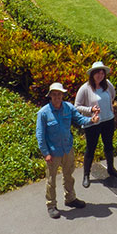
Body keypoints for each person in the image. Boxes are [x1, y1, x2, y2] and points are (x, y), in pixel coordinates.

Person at [36, 82, 97, 218]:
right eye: (54, 94)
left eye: (59, 94)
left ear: (62, 95)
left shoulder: (68, 108)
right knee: (51, 179)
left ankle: (70, 198)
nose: (57, 97)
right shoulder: (43, 113)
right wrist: (45, 153)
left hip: (67, 149)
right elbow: (40, 135)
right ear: (50, 96)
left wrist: (91, 120)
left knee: (69, 175)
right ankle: (51, 205)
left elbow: (79, 119)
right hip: (53, 152)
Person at [75, 61, 117, 186]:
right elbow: (77, 106)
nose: (100, 75)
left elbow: (112, 95)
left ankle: (111, 169)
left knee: (109, 146)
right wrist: (90, 110)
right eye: (97, 73)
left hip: (108, 121)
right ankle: (86, 175)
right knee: (91, 148)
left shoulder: (107, 85)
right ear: (92, 74)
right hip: (93, 123)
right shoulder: (85, 88)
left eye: (102, 73)